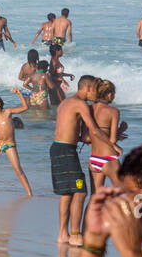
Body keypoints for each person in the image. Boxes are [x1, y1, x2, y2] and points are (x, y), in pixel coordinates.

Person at [50, 75, 118, 246]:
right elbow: (94, 131)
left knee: (67, 194)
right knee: (81, 191)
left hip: (58, 149)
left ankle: (62, 234)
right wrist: (113, 146)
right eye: (95, 89)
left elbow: (83, 137)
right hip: (66, 152)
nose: (96, 94)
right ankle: (75, 235)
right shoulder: (81, 104)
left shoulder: (66, 102)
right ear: (87, 88)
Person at [88, 79, 126, 189]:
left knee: (94, 199)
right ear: (109, 94)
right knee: (123, 193)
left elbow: (87, 138)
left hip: (94, 159)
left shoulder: (89, 109)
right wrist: (121, 130)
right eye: (113, 94)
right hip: (108, 158)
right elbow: (112, 140)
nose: (113, 97)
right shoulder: (113, 111)